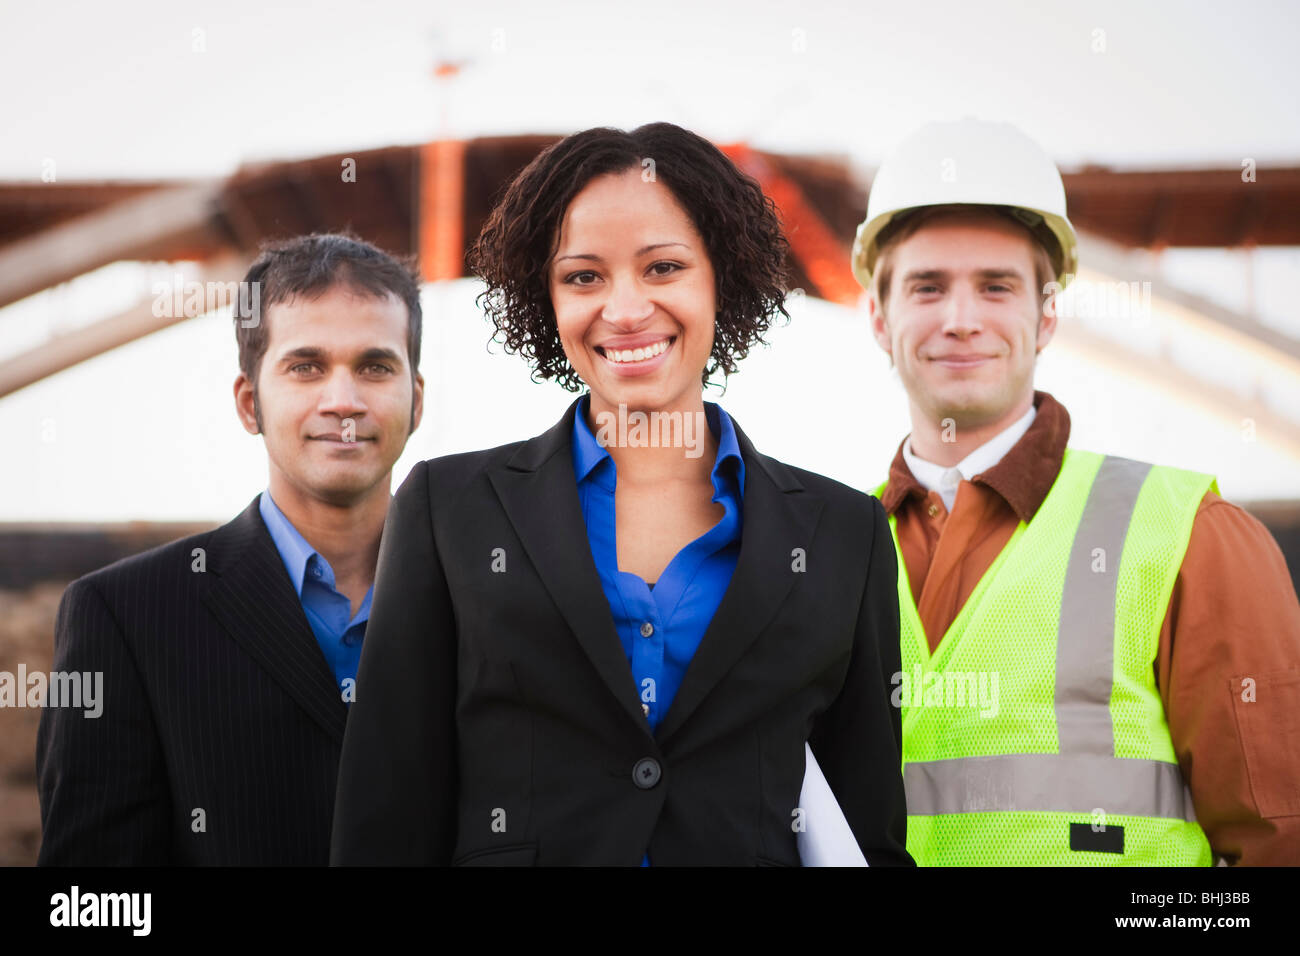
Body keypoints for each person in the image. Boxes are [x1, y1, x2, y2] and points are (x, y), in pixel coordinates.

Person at [330, 122, 911, 866]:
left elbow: (866, 831)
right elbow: (386, 820)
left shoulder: (844, 533)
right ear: (547, 298)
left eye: (664, 267)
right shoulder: (449, 510)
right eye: (584, 277)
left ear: (721, 278)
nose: (626, 309)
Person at [854, 118, 1300, 865]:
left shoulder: (1187, 533)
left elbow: (1281, 838)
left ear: (1047, 314)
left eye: (996, 287)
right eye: (928, 287)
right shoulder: (824, 545)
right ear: (878, 315)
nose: (961, 320)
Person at [36, 232, 425, 864]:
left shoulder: (487, 594)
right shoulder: (125, 617)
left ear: (417, 399)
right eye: (306, 366)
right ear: (250, 404)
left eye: (375, 366)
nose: (344, 402)